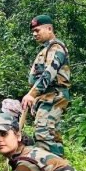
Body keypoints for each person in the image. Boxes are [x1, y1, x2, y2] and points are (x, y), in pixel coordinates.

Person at [21, 14, 71, 156]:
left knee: (43, 133)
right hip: (46, 97)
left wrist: (31, 94)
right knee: (51, 135)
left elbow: (48, 74)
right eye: (33, 31)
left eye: (37, 30)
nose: (34, 34)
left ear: (49, 29)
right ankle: (60, 169)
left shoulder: (56, 48)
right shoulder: (45, 50)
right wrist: (36, 99)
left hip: (54, 95)